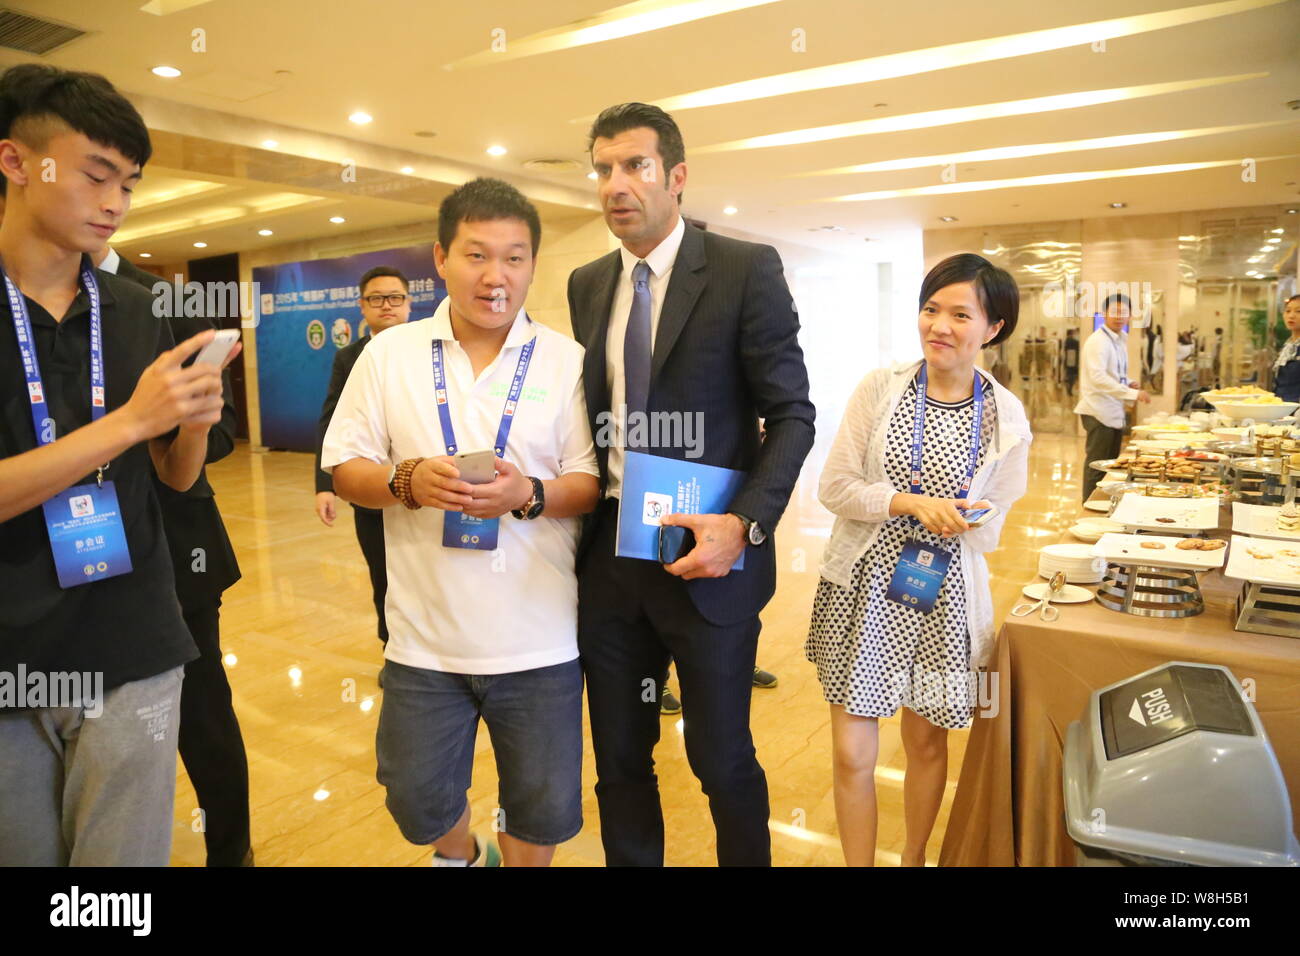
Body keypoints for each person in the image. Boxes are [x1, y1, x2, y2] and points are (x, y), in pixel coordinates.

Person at [322, 178, 599, 867]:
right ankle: (462, 857)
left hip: (538, 639)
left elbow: (589, 483)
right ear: (440, 257)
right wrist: (405, 481)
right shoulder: (389, 355)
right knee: (414, 796)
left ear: (533, 264)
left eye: (514, 257)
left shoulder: (567, 361)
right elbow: (345, 468)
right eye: (477, 255)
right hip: (423, 641)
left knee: (541, 811)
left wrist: (527, 493)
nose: (496, 276)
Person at [0, 64, 237, 865]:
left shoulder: (136, 307)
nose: (114, 203)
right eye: (97, 175)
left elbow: (170, 478)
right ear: (16, 162)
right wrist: (130, 421)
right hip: (11, 648)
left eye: (129, 185)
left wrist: (191, 424)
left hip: (132, 636)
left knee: (117, 884)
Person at [569, 102, 815, 866]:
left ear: (676, 176)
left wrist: (742, 524)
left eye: (635, 166)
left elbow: (793, 415)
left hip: (707, 554)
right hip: (611, 559)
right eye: (604, 168)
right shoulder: (586, 284)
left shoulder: (744, 269)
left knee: (720, 758)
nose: (617, 184)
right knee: (617, 760)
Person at [807, 253, 1031, 866]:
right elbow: (834, 487)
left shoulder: (1005, 415)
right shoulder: (881, 388)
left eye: (961, 314)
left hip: (944, 598)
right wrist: (907, 502)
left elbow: (997, 518)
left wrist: (970, 516)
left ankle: (912, 859)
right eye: (931, 309)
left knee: (927, 743)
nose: (940, 325)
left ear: (994, 328)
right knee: (854, 753)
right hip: (867, 588)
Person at [94, 244, 251, 867]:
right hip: (58, 548)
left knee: (201, 712)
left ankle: (230, 851)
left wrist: (176, 426)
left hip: (170, 544)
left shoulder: (168, 303)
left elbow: (221, 428)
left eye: (121, 183)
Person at [315, 266, 412, 648]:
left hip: (428, 485)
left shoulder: (431, 350)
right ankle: (392, 648)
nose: (386, 306)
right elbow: (332, 420)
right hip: (369, 484)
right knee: (382, 573)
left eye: (395, 297)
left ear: (408, 303)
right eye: (376, 298)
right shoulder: (348, 357)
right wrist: (325, 485)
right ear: (362, 306)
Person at [1074, 293, 1150, 501]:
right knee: (1098, 465)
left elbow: (1112, 374)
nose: (1119, 316)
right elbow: (1097, 378)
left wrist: (1128, 382)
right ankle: (1089, 507)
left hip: (1112, 410)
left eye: (1123, 312)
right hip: (1098, 411)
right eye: (1114, 311)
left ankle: (1103, 504)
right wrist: (1132, 393)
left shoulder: (1119, 339)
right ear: (1104, 313)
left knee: (1110, 463)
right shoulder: (1098, 341)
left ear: (1130, 315)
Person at [1273, 294, 1300, 402]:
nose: (1291, 316)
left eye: (1298, 311)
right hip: (1281, 409)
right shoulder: (1287, 346)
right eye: (1288, 311)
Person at [1062, 328, 1079, 397]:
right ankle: (1070, 388)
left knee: (1069, 374)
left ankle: (1069, 387)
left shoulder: (1065, 341)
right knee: (1072, 375)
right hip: (1072, 360)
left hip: (1068, 360)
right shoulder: (1073, 341)